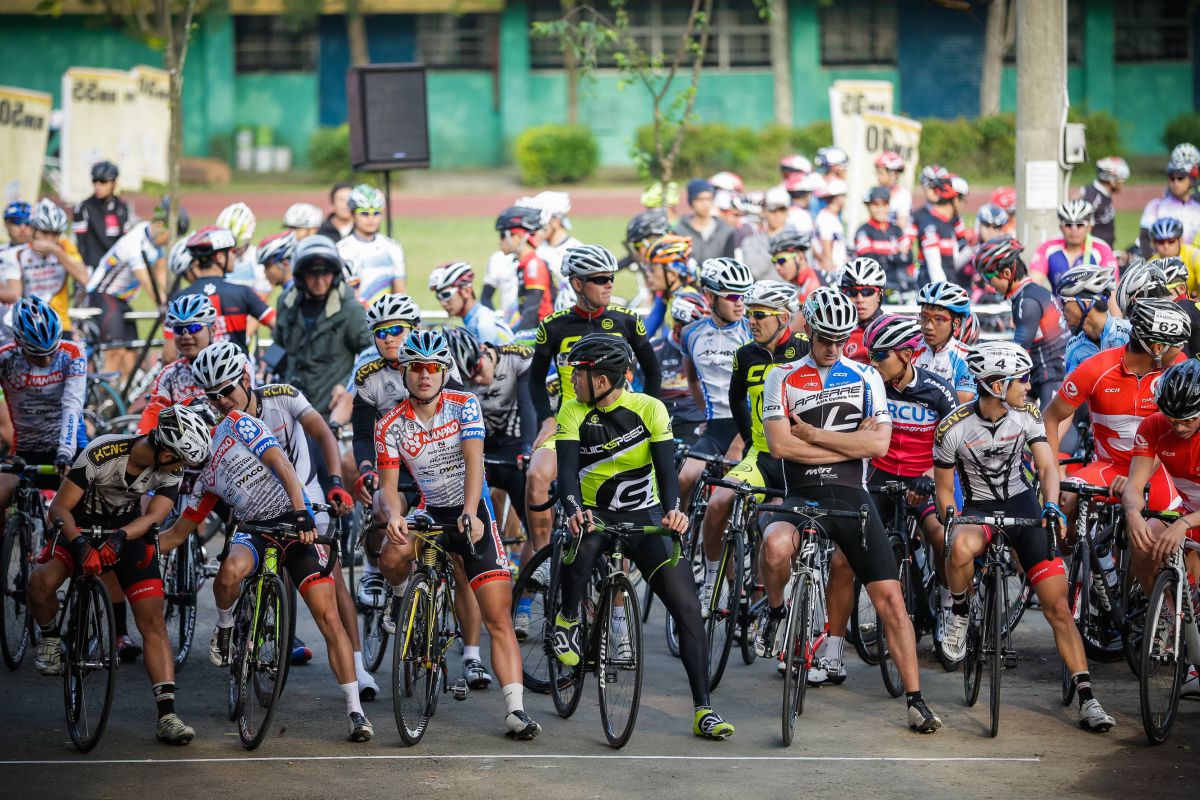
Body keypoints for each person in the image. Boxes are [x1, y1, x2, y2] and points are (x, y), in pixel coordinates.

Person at [758, 287, 942, 733]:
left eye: (841, 340)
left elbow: (878, 445)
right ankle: (777, 613)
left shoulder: (866, 376)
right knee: (774, 545)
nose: (832, 348)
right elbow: (780, 446)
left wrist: (812, 436)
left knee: (891, 599)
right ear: (808, 329)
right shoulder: (781, 376)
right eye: (824, 338)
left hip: (851, 497)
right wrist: (848, 444)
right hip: (801, 495)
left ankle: (916, 700)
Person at [158, 393, 374, 742]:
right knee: (229, 572)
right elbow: (177, 534)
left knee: (328, 616)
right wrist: (137, 545)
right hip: (254, 531)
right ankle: (226, 628)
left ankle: (355, 711)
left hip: (293, 523)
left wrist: (301, 511)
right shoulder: (204, 478)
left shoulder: (239, 423)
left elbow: (282, 463)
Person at [550, 333, 734, 740]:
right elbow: (566, 473)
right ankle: (567, 618)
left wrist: (674, 510)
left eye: (579, 373)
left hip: (645, 515)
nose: (572, 379)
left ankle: (703, 709)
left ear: (602, 379)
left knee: (687, 607)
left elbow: (667, 471)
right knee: (580, 544)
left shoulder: (650, 408)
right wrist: (575, 510)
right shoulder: (572, 410)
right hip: (594, 513)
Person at [935, 341, 1116, 732]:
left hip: (1022, 505)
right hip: (979, 509)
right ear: (996, 385)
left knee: (1058, 607)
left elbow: (1047, 467)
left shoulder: (1027, 415)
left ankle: (1087, 697)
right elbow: (945, 490)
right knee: (959, 546)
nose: (1029, 386)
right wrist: (950, 517)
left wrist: (1051, 506)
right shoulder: (952, 427)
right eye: (1021, 380)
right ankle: (960, 614)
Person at [374, 329, 541, 740]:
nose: (425, 375)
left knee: (498, 616)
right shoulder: (390, 425)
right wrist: (394, 515)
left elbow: (474, 461)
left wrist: (470, 511)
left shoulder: (464, 405)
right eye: (417, 367)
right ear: (404, 371)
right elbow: (389, 488)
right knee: (390, 554)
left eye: (433, 367)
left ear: (444, 371)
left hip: (472, 509)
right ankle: (402, 599)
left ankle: (515, 710)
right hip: (430, 510)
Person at [30, 405, 210, 745]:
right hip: (78, 527)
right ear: (166, 452)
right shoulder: (103, 451)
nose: (182, 468)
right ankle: (52, 639)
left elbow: (154, 516)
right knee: (39, 583)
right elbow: (60, 508)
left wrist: (120, 537)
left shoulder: (170, 469)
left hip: (127, 533)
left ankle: (168, 716)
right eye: (181, 460)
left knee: (152, 620)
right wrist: (79, 544)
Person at [525, 245, 661, 560]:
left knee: (621, 508)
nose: (609, 284)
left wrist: (644, 416)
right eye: (600, 279)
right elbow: (534, 380)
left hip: (620, 428)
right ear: (577, 283)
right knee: (535, 476)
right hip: (569, 424)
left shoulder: (628, 320)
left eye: (611, 278)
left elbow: (653, 374)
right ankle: (543, 559)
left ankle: (617, 587)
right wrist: (547, 418)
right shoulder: (554, 326)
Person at [700, 281, 808, 613]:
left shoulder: (807, 349)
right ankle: (712, 579)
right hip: (761, 455)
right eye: (749, 314)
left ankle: (777, 608)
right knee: (718, 501)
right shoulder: (745, 354)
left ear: (783, 318)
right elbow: (736, 399)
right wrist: (749, 439)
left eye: (759, 315)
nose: (751, 321)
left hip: (797, 460)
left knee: (774, 530)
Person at [1044, 298, 1189, 523]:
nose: (1181, 350)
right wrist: (1052, 474)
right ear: (1158, 348)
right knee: (1065, 501)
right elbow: (1051, 417)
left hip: (1156, 469)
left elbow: (1177, 433)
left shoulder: (1178, 367)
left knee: (1159, 537)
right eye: (1178, 344)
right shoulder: (1096, 368)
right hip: (1108, 467)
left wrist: (1136, 479)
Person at [861, 314, 958, 638]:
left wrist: (929, 477)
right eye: (869, 354)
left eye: (880, 355)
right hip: (883, 474)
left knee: (941, 537)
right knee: (859, 539)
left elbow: (954, 448)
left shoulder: (937, 391)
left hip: (926, 476)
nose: (872, 362)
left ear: (905, 355)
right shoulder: (870, 386)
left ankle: (949, 604)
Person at [1122, 359, 1200, 694]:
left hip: (1191, 516)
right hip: (1189, 511)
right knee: (1143, 540)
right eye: (1173, 419)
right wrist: (1133, 514)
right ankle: (1168, 612)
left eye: (1189, 419)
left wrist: (1184, 523)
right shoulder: (1153, 426)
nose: (1179, 427)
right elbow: (1134, 486)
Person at [677, 258, 753, 503]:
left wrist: (738, 444)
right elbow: (692, 381)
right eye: (732, 296)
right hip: (715, 429)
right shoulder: (690, 333)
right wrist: (707, 414)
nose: (740, 303)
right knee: (684, 478)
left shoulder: (752, 332)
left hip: (749, 428)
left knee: (737, 495)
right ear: (710, 296)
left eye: (744, 296)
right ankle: (681, 529)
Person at [274, 235, 374, 421]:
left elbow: (371, 354)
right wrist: (268, 372)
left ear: (335, 275)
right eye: (313, 274)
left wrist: (348, 387)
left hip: (329, 411)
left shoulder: (350, 310)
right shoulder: (286, 304)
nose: (320, 280)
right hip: (289, 408)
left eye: (325, 273)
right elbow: (278, 345)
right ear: (301, 276)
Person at [86, 201, 184, 378]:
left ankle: (125, 393)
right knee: (115, 350)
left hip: (121, 300)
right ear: (161, 226)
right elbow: (149, 284)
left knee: (132, 353)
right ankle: (104, 390)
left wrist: (169, 302)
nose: (169, 241)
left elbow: (161, 274)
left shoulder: (155, 242)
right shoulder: (135, 243)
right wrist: (171, 313)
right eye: (171, 236)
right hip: (103, 295)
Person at [0, 296, 87, 484]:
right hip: (23, 447)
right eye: (37, 355)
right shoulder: (5, 357)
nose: (46, 360)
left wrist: (65, 453)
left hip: (68, 445)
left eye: (51, 352)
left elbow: (72, 405)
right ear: (19, 342)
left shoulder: (73, 353)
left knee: (74, 499)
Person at [977, 236, 1068, 409]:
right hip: (1046, 374)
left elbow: (1017, 354)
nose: (989, 285)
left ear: (1006, 273)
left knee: (1048, 428)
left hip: (1052, 378)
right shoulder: (1034, 292)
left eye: (989, 278)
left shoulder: (1026, 301)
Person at [166, 225, 277, 360]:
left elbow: (169, 356)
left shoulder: (179, 299)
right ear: (220, 257)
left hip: (196, 373)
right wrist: (271, 360)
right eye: (232, 251)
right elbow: (279, 328)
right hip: (239, 371)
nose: (234, 256)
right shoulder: (242, 292)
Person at [2, 199, 87, 336]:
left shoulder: (65, 246)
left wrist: (56, 251)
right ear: (33, 230)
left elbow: (84, 278)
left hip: (60, 323)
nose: (49, 239)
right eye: (45, 233)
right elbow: (15, 296)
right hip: (31, 325)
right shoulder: (16, 254)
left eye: (55, 234)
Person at [138, 295, 214, 432]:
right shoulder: (169, 374)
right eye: (179, 330)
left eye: (194, 328)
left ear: (212, 330)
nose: (186, 336)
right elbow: (153, 414)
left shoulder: (233, 365)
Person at [653, 288, 709, 444]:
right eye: (696, 330)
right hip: (669, 423)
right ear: (678, 329)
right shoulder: (654, 351)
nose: (703, 335)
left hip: (704, 421)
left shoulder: (712, 349)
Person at [336, 184, 407, 306]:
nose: (371, 218)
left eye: (376, 213)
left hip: (385, 315)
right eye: (364, 213)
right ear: (352, 214)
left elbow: (400, 293)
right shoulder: (341, 249)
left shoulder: (393, 247)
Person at [1028, 200, 1117, 292]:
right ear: (1061, 227)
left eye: (1080, 224)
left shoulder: (1102, 250)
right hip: (1056, 301)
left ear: (1089, 227)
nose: (1074, 229)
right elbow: (1033, 285)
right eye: (1068, 224)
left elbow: (1112, 292)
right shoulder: (1048, 248)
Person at [1058, 266, 1129, 375]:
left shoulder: (1128, 334)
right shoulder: (1073, 346)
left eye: (1064, 302)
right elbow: (1070, 386)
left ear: (1085, 303)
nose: (1061, 309)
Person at [912, 281, 976, 403]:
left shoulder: (967, 358)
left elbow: (958, 405)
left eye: (939, 319)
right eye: (924, 317)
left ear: (956, 323)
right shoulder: (909, 350)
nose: (929, 326)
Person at [495, 205, 554, 332]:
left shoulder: (534, 266)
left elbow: (531, 314)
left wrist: (513, 338)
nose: (499, 241)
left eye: (502, 235)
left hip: (542, 335)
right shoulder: (526, 264)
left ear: (519, 236)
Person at [429, 261, 513, 345]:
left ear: (466, 291)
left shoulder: (483, 324)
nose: (442, 303)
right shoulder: (476, 319)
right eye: (438, 297)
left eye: (446, 294)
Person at [855, 187, 914, 292]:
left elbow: (909, 257)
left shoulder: (896, 230)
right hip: (874, 287)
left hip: (898, 284)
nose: (880, 209)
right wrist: (895, 255)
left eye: (884, 204)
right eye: (876, 205)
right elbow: (869, 261)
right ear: (868, 206)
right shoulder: (863, 231)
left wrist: (886, 258)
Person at [72, 160, 129, 268]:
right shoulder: (83, 208)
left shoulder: (122, 207)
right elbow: (80, 245)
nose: (97, 186)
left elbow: (124, 241)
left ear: (114, 183)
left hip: (117, 267)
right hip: (93, 268)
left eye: (103, 181)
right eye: (95, 181)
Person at [1139, 154, 1200, 255]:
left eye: (1180, 178)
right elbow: (1145, 238)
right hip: (1162, 260)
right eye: (1172, 178)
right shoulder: (1155, 206)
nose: (1176, 182)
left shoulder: (1197, 209)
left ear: (1191, 180)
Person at [912, 174, 967, 285]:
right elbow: (934, 268)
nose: (963, 205)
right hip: (933, 287)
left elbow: (953, 263)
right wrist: (947, 292)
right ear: (956, 200)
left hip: (948, 284)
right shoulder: (930, 225)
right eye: (962, 200)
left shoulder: (950, 222)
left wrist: (970, 247)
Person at [640, 234, 696, 340]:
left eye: (652, 270)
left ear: (672, 274)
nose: (648, 275)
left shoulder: (685, 302)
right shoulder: (670, 296)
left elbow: (669, 344)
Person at [674, 178, 737, 265]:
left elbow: (730, 264)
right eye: (700, 199)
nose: (705, 204)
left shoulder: (726, 231)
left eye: (709, 199)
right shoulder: (680, 232)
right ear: (691, 201)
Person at [838, 257, 887, 364]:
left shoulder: (893, 329)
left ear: (880, 295)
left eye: (867, 292)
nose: (860, 299)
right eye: (852, 292)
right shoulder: (836, 333)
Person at [215, 202, 268, 297]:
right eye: (225, 249)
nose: (231, 254)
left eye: (236, 250)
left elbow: (262, 295)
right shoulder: (214, 258)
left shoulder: (255, 258)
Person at [1079, 156, 1129, 249]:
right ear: (1112, 180)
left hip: (1105, 249)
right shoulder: (1093, 197)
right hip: (1095, 251)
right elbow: (1081, 229)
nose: (1122, 183)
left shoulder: (1103, 194)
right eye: (1121, 179)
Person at [1148, 217, 1200, 299]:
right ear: (1154, 243)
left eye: (1171, 241)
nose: (1166, 246)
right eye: (1161, 242)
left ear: (1180, 240)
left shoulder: (1195, 256)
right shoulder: (1150, 266)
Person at [769, 227, 820, 302]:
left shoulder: (811, 288)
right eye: (774, 261)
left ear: (800, 257)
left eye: (781, 260)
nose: (777, 267)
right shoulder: (804, 282)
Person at [813, 179, 848, 275]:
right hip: (831, 272)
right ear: (837, 198)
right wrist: (830, 270)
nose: (845, 199)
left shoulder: (831, 217)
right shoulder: (826, 218)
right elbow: (826, 246)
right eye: (843, 195)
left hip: (836, 270)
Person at [873, 151, 912, 229]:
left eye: (880, 173)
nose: (878, 177)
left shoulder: (902, 196)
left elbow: (902, 226)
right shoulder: (876, 192)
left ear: (893, 174)